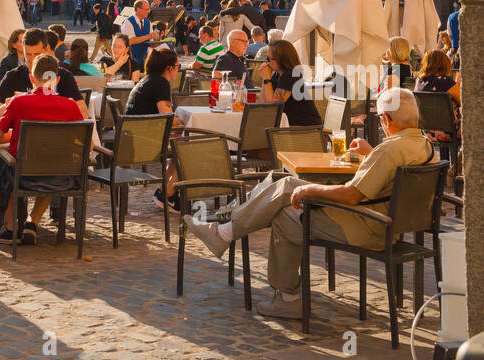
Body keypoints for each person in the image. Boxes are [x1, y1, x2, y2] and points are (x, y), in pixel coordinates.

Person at [183, 88, 439, 319]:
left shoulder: (390, 150)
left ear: (387, 120)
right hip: (387, 225)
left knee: (286, 206)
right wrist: (371, 153)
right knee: (284, 188)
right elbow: (389, 176)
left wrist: (310, 189)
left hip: (367, 226)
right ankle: (229, 235)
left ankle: (286, 295)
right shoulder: (425, 147)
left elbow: (352, 195)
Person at [0, 53, 86, 243]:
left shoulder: (18, 102)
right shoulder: (70, 106)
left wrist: (16, 135)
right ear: (56, 80)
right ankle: (32, 222)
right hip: (60, 176)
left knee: (1, 160)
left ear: (32, 78)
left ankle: (11, 227)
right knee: (52, 161)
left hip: (22, 174)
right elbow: (86, 144)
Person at [0, 27, 83, 119]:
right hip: (21, 133)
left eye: (37, 54)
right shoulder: (13, 76)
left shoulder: (63, 76)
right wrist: (6, 107)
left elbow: (84, 112)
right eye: (28, 54)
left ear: (46, 50)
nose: (32, 59)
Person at [260, 38, 321, 125]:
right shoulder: (276, 75)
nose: (267, 62)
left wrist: (266, 79)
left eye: (270, 59)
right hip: (290, 126)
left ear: (282, 59)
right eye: (267, 58)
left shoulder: (291, 75)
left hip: (306, 129)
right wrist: (264, 78)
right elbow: (264, 103)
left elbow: (274, 106)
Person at [120, 0, 163, 79]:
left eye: (149, 9)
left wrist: (156, 42)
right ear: (138, 9)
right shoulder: (128, 22)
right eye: (146, 9)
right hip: (132, 61)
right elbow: (130, 41)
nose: (148, 11)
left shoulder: (148, 22)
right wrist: (149, 36)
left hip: (145, 60)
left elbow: (150, 42)